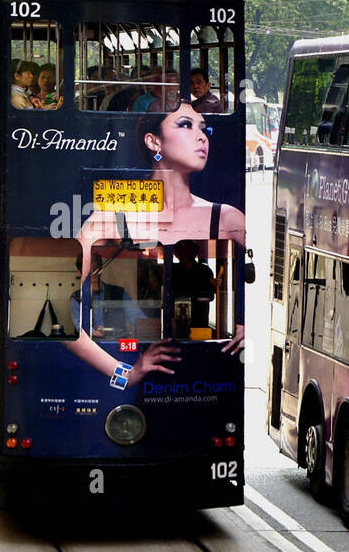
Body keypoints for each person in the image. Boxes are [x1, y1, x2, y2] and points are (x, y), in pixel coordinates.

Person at [65, 103, 245, 390]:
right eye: (186, 125)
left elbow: (278, 284)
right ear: (153, 141)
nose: (201, 137)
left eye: (203, 128)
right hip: (132, 376)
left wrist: (244, 324)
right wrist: (123, 373)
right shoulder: (112, 216)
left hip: (204, 383)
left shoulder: (226, 218)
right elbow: (52, 306)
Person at [68, 253, 145, 339]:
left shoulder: (118, 293)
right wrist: (92, 332)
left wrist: (150, 328)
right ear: (79, 272)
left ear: (101, 269)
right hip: (87, 346)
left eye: (96, 268)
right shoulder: (76, 298)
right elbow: (78, 322)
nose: (93, 272)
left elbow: (137, 317)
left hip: (115, 345)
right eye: (89, 269)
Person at [170, 238, 216, 330]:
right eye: (181, 251)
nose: (184, 254)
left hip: (199, 319)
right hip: (176, 318)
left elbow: (211, 294)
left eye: (187, 251)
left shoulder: (205, 271)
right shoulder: (172, 270)